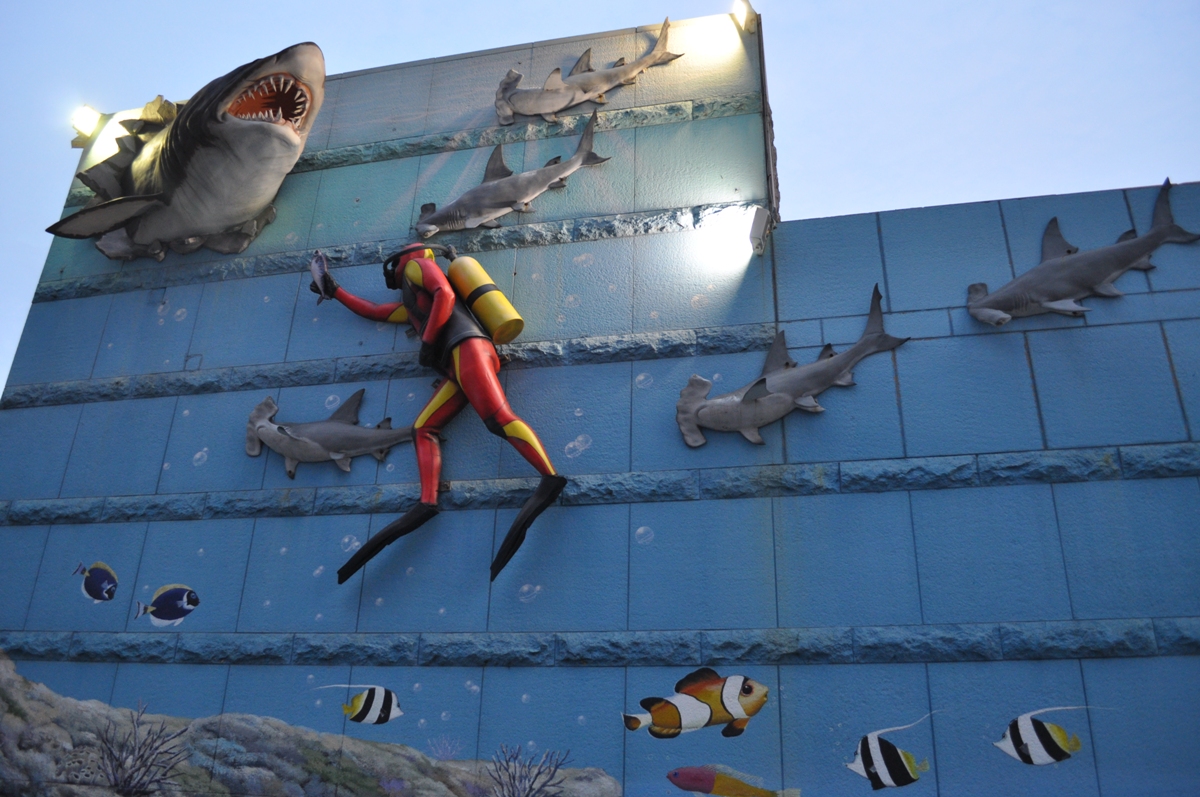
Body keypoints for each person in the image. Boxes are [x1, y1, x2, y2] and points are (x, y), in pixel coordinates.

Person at [314, 243, 566, 584]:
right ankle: (428, 501)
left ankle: (549, 477)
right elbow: (375, 310)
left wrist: (429, 342)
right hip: (457, 364)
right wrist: (336, 291)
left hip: (467, 349)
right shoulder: (413, 303)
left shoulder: (419, 266)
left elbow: (445, 296)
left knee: (498, 418)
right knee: (423, 428)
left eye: (393, 265)